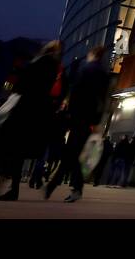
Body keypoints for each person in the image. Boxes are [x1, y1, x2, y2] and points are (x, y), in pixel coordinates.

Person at [0, 40, 62, 201]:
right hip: (37, 112)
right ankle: (9, 184)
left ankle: (9, 184)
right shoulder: (54, 67)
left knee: (12, 146)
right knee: (20, 150)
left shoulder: (40, 63)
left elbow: (24, 83)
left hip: (25, 108)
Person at [45, 45, 110, 202]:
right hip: (90, 120)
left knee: (72, 153)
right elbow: (103, 99)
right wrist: (98, 121)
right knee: (77, 154)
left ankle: (59, 185)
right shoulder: (103, 74)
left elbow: (76, 92)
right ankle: (64, 185)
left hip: (79, 117)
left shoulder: (86, 69)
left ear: (93, 54)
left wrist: (69, 113)